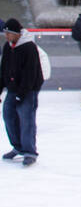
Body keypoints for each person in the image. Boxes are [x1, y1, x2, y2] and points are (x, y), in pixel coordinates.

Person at [0, 18, 43, 166]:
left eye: (8, 33)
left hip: (28, 90)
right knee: (8, 116)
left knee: (26, 120)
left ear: (16, 34)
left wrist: (21, 94)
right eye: (5, 33)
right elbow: (3, 69)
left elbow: (30, 74)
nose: (6, 36)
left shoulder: (29, 47)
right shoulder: (8, 47)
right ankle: (18, 147)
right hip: (13, 88)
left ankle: (29, 151)